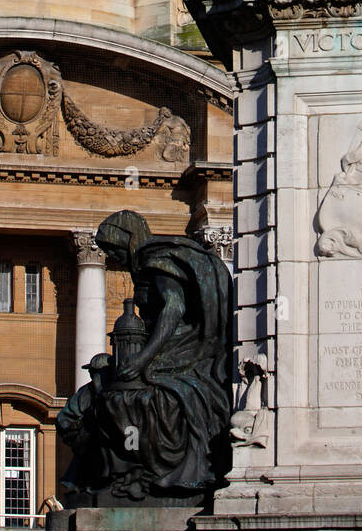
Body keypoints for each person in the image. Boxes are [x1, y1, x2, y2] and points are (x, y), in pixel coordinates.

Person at [58, 210, 232, 501]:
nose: (114, 255)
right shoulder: (148, 264)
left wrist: (142, 359)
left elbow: (173, 309)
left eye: (114, 248)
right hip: (162, 352)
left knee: (120, 399)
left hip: (181, 355)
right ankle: (108, 475)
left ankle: (138, 473)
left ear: (128, 238)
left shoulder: (156, 259)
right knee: (93, 394)